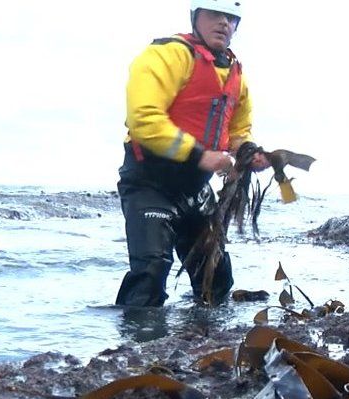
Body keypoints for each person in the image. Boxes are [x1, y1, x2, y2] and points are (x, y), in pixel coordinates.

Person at [115, 0, 270, 307]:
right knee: (152, 269)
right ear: (196, 17)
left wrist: (248, 153)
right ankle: (133, 349)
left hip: (196, 189)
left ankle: (204, 337)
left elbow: (239, 130)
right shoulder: (165, 55)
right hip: (150, 185)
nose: (224, 23)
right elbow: (144, 119)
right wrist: (199, 155)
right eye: (215, 14)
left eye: (231, 17)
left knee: (216, 274)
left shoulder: (236, 74)